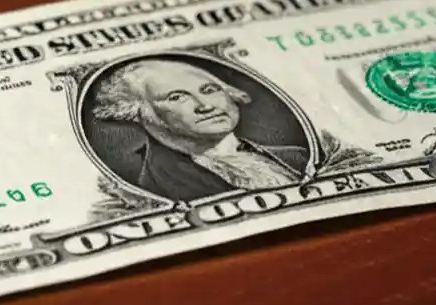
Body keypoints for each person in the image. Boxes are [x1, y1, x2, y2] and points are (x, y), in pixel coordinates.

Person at [92, 59, 308, 201]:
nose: (205, 105)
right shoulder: (153, 190)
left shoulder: (298, 157)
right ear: (135, 110)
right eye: (177, 97)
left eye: (210, 90)